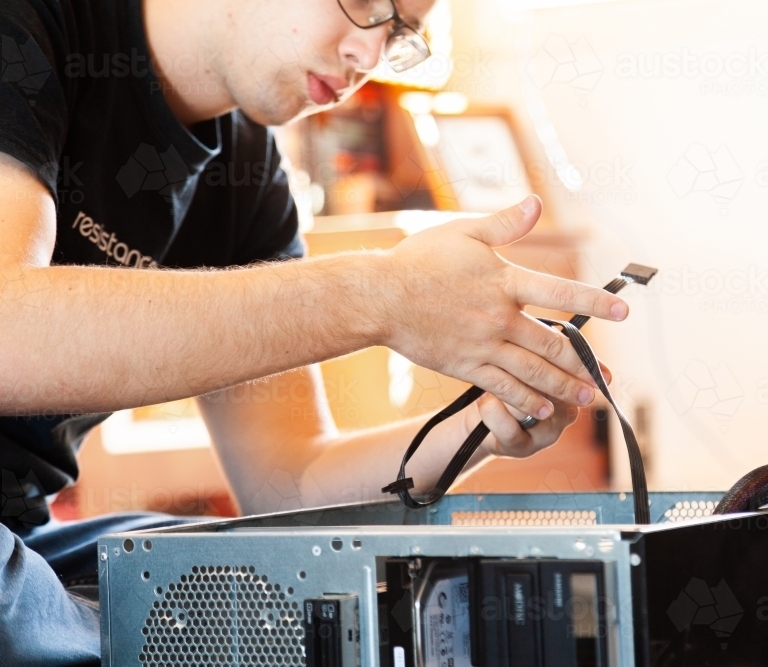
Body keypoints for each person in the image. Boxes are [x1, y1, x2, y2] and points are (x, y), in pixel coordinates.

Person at [0, 0, 628, 662]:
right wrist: (382, 295)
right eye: (365, 3)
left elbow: (287, 485)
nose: (371, 56)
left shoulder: (248, 179)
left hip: (22, 534)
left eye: (401, 32)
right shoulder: (31, 25)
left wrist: (482, 422)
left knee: (254, 594)